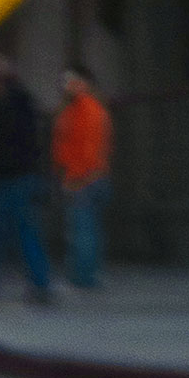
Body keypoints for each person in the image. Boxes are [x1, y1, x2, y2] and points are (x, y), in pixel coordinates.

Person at [0, 52, 54, 303]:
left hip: (4, 179)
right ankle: (40, 283)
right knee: (27, 231)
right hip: (25, 176)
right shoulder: (24, 104)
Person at [53, 63, 113, 289]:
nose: (65, 85)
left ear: (84, 82)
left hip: (84, 178)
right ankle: (87, 274)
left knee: (82, 230)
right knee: (89, 229)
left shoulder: (83, 109)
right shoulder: (91, 108)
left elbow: (86, 149)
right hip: (93, 176)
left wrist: (75, 179)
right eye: (64, 80)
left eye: (71, 80)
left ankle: (83, 277)